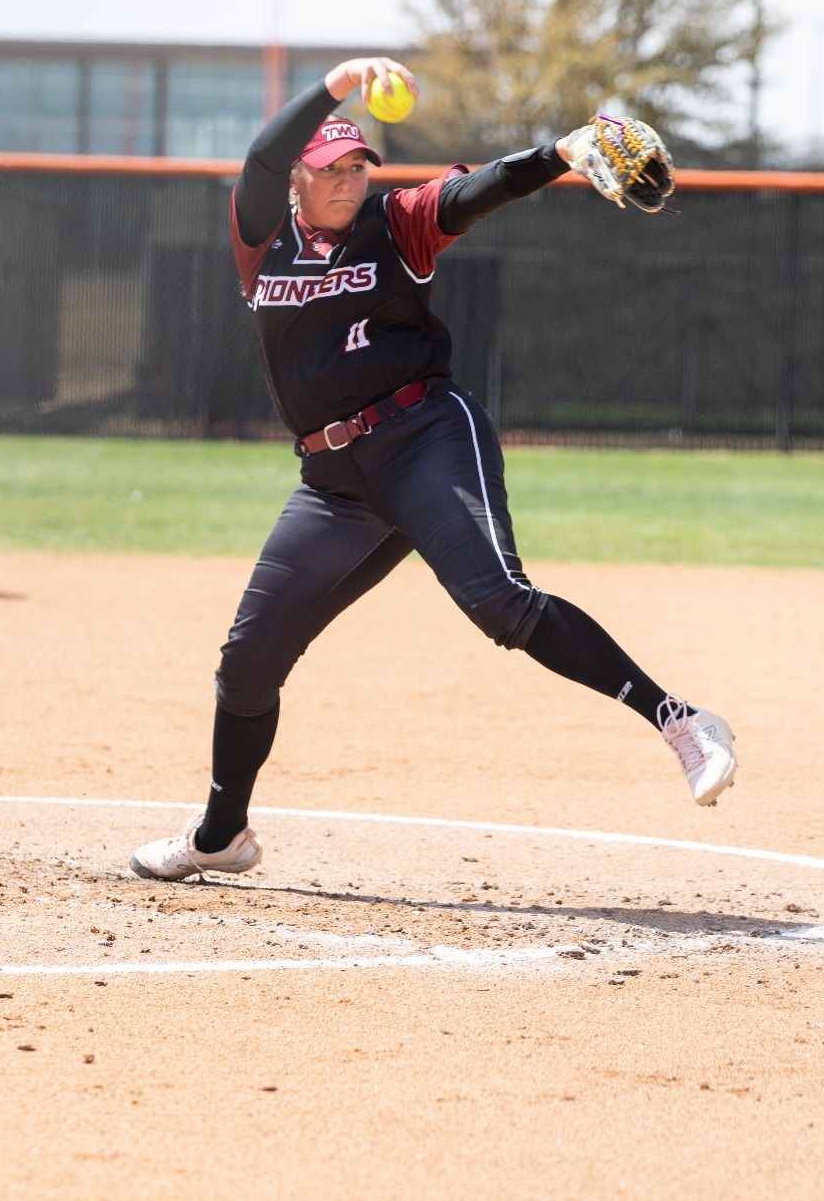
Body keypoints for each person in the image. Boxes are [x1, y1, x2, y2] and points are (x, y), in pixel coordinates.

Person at [128, 57, 737, 882]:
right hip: (334, 483)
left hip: (423, 436)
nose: (348, 180)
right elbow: (262, 160)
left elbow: (470, 192)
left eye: (358, 167)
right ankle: (220, 836)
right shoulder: (262, 241)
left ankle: (681, 720)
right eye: (331, 168)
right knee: (247, 663)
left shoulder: (395, 223)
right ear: (298, 183)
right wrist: (339, 83)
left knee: (499, 600)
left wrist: (556, 154)